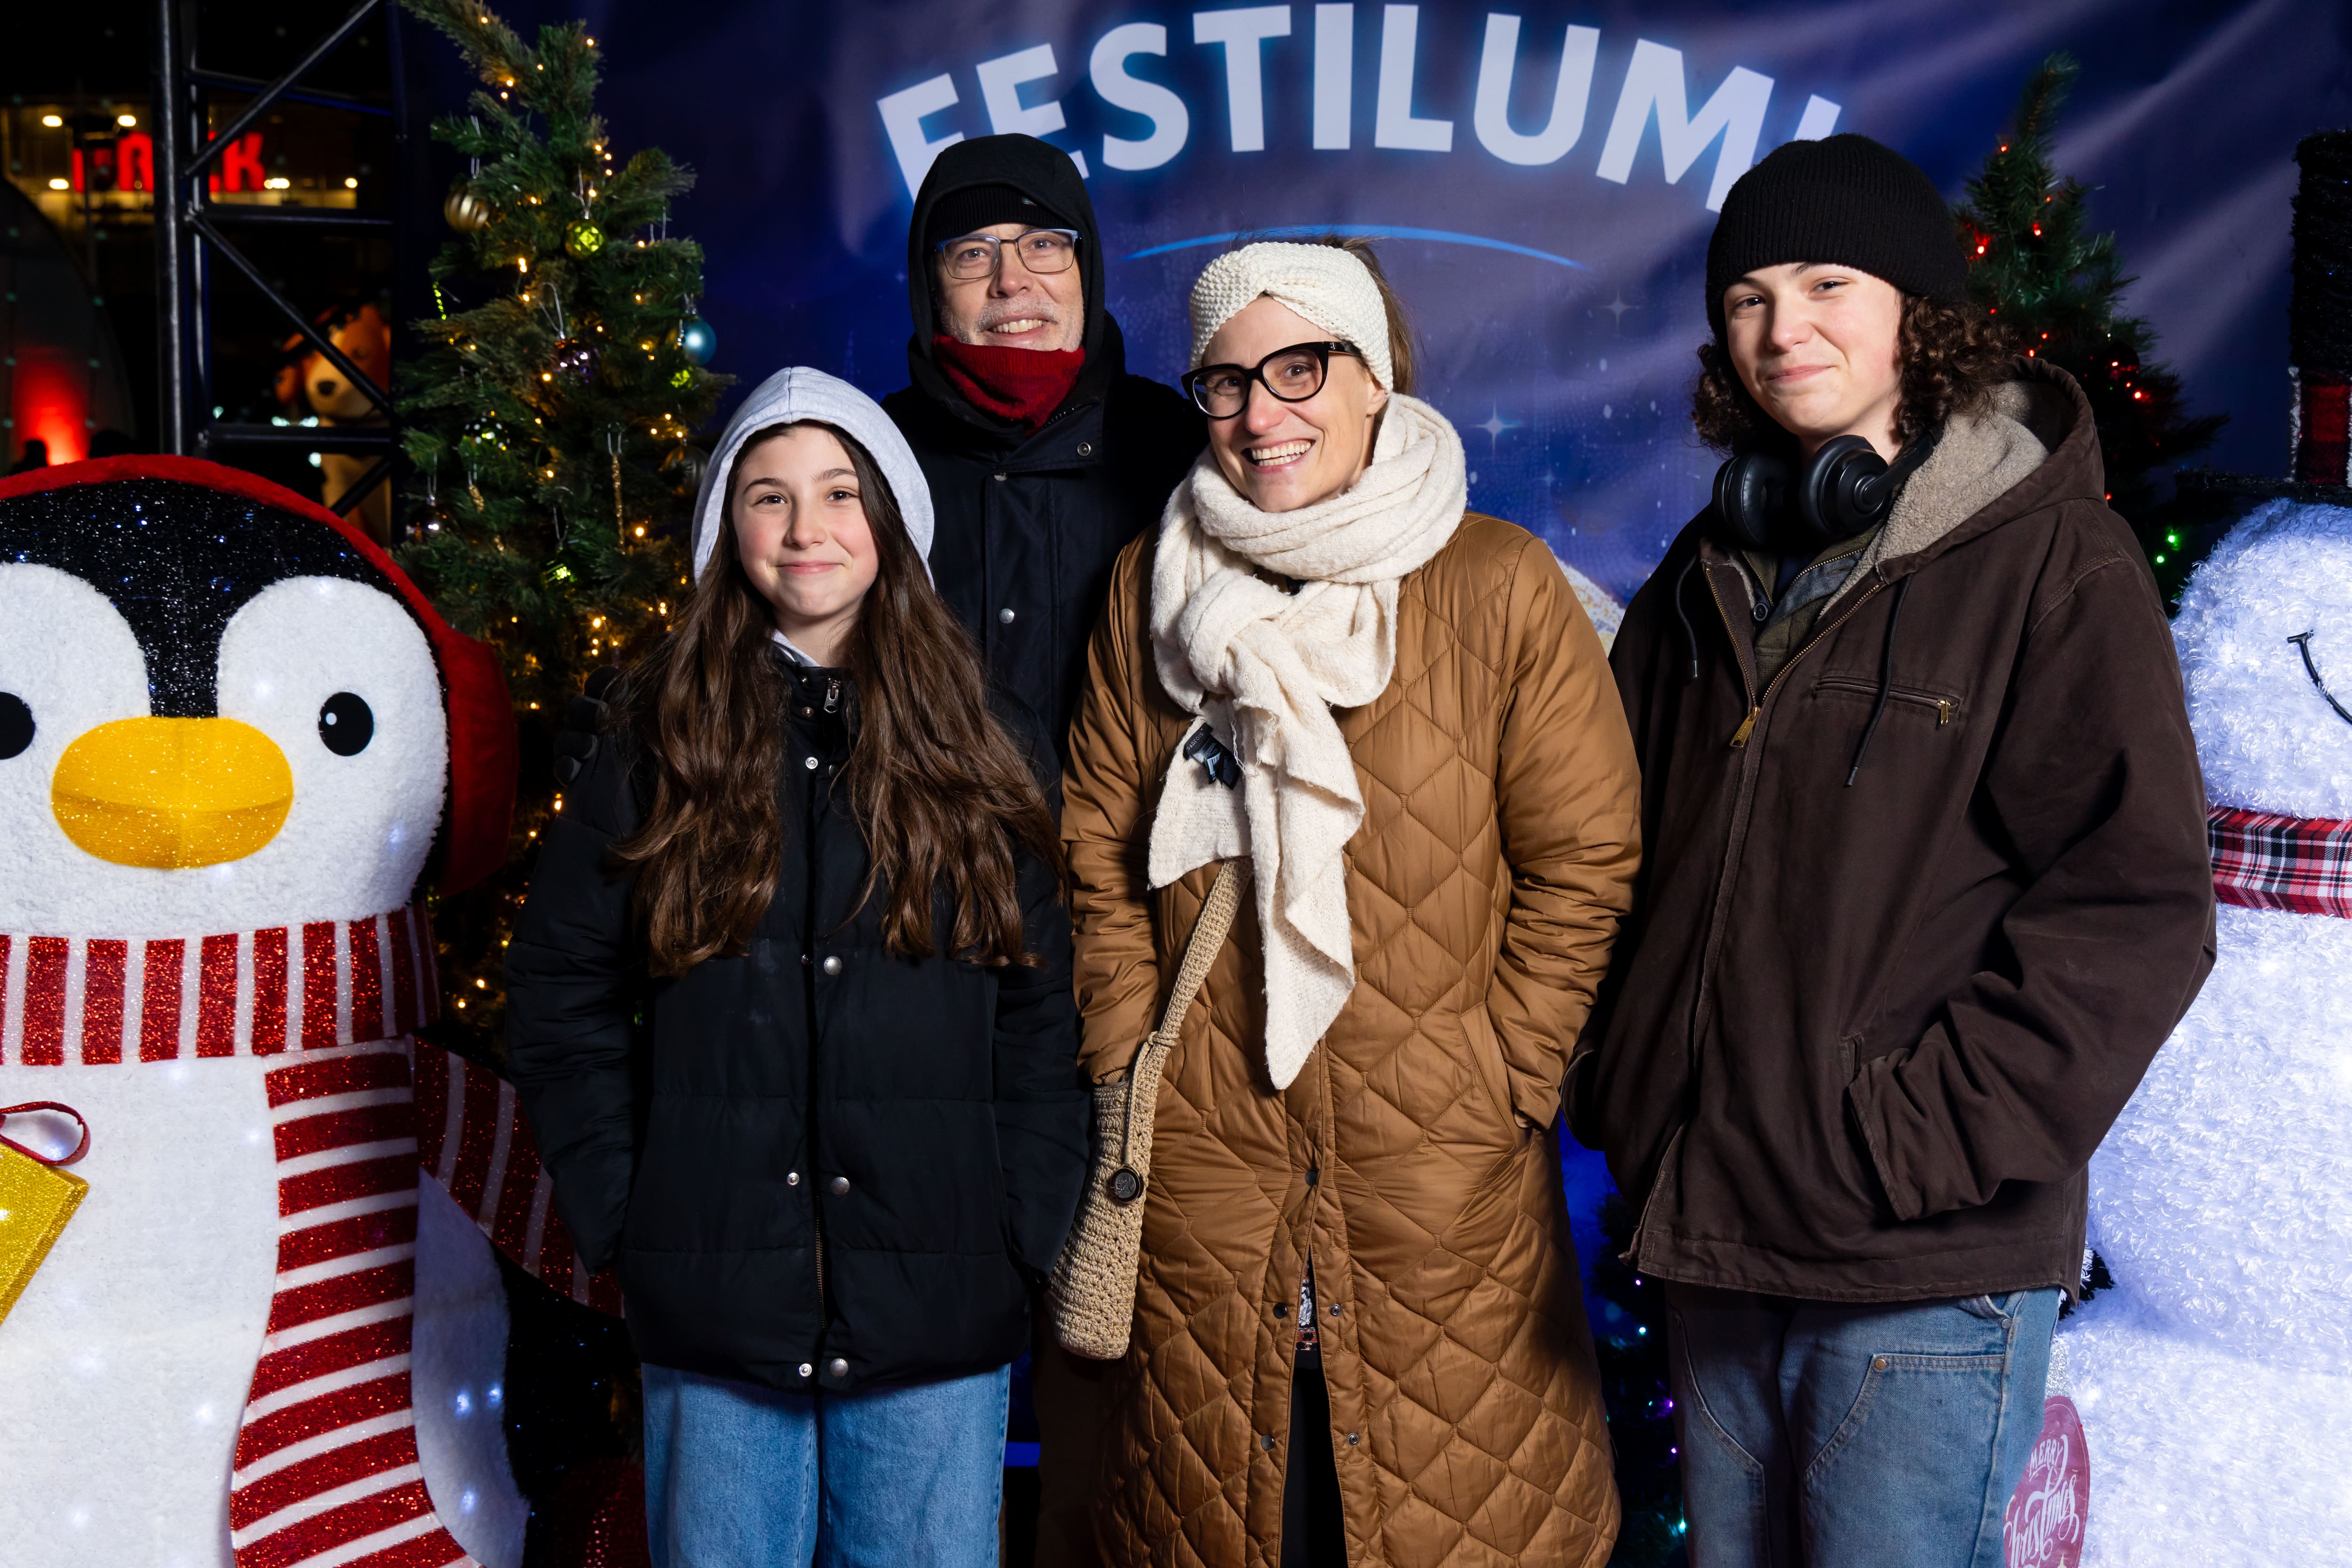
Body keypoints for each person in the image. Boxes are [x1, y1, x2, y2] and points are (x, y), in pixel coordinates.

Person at [1569, 135, 2215, 1568]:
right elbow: (1617, 851)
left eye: (1825, 283)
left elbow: (2140, 901)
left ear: (1921, 311)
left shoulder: (2056, 565)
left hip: (1920, 1257)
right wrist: (1624, 1081)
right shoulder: (1709, 569)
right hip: (1719, 1229)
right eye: (1745, 296)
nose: (1780, 328)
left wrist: (1924, 1136)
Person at [1062, 238, 1642, 1567]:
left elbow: (1588, 853)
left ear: (1373, 379)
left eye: (1299, 366)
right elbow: (1095, 846)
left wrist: (1503, 1074)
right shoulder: (1146, 591)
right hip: (1209, 1179)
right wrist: (1125, 1060)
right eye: (1225, 382)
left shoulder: (1499, 584)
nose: (1262, 413)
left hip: (1444, 1192)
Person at [504, 367, 1088, 1568]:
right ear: (731, 522)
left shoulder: (985, 732)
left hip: (938, 1292)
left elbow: (1044, 1008)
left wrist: (1023, 1224)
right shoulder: (653, 731)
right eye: (770, 497)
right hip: (714, 1298)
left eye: (837, 492)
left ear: (889, 517)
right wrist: (626, 1208)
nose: (807, 529)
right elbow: (562, 994)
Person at [883, 132, 1205, 765]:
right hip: (929, 853)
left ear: (1086, 269)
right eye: (973, 254)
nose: (1011, 280)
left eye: (1044, 245)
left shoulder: (1181, 445)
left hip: (1131, 849)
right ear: (932, 286)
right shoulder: (871, 455)